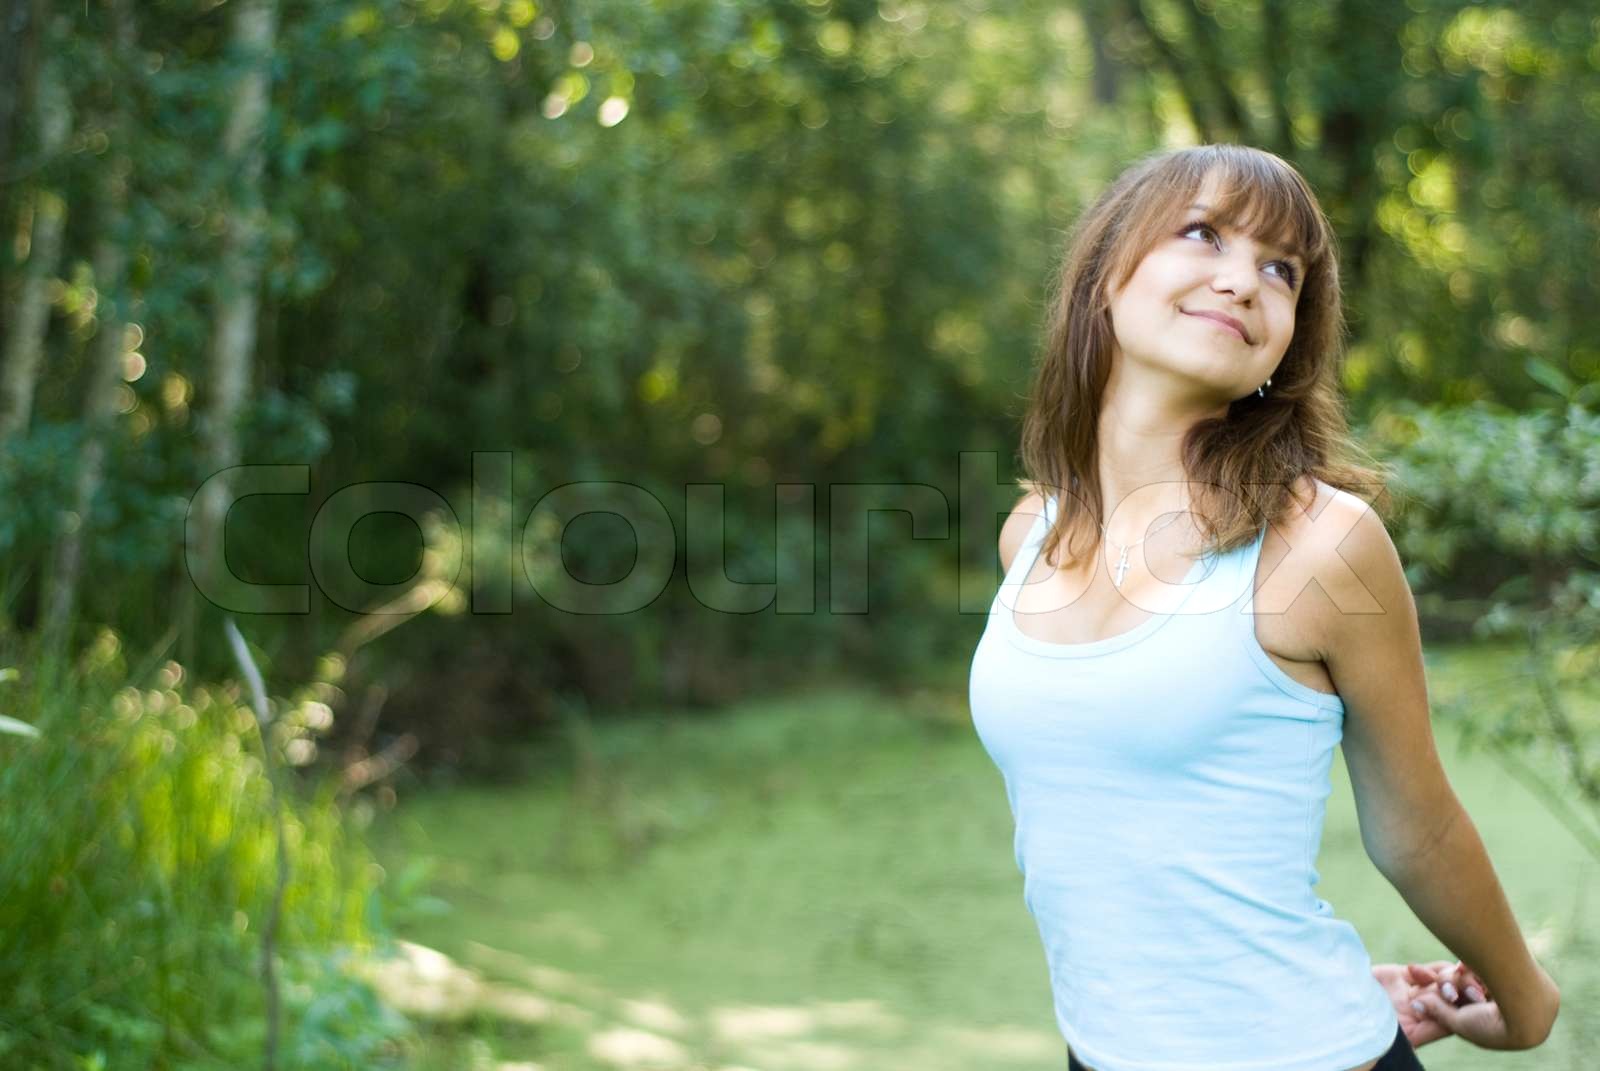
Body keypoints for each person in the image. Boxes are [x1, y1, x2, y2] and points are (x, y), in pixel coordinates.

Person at [966, 144, 1560, 1071]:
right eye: (1203, 233)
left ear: (1284, 349)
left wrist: (1525, 1002)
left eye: (1281, 269)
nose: (1244, 280)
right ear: (1103, 280)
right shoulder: (1031, 533)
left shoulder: (1320, 545)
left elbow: (1418, 824)